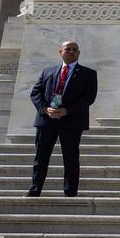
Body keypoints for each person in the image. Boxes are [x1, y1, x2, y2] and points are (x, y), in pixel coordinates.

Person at [28, 39, 98, 198]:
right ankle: (34, 190)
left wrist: (67, 110)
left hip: (71, 121)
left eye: (74, 49)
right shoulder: (48, 71)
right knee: (41, 158)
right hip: (46, 120)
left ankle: (70, 193)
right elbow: (35, 93)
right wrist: (46, 109)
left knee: (71, 158)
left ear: (78, 53)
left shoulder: (89, 74)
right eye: (68, 49)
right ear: (60, 52)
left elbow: (89, 98)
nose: (71, 51)